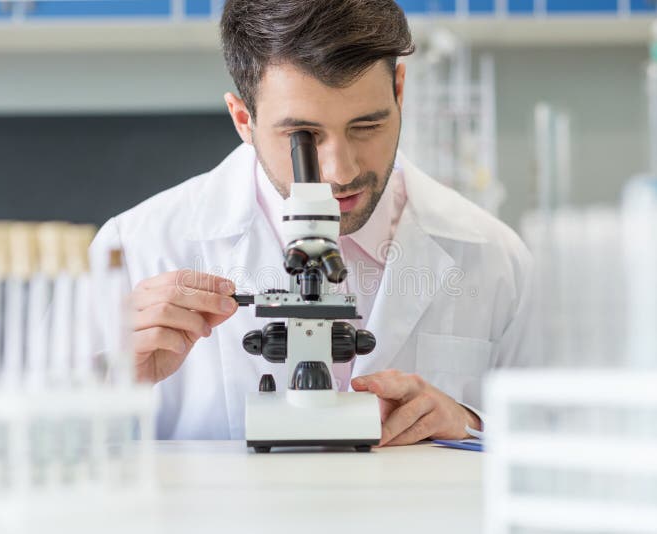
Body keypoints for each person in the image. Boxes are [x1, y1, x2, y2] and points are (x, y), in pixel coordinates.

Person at [90, 0, 533, 446]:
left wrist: (471, 427)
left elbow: (556, 446)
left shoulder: (495, 258)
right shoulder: (134, 249)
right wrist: (114, 386)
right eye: (303, 136)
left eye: (367, 126)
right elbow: (43, 461)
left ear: (399, 90)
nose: (339, 172)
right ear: (244, 119)